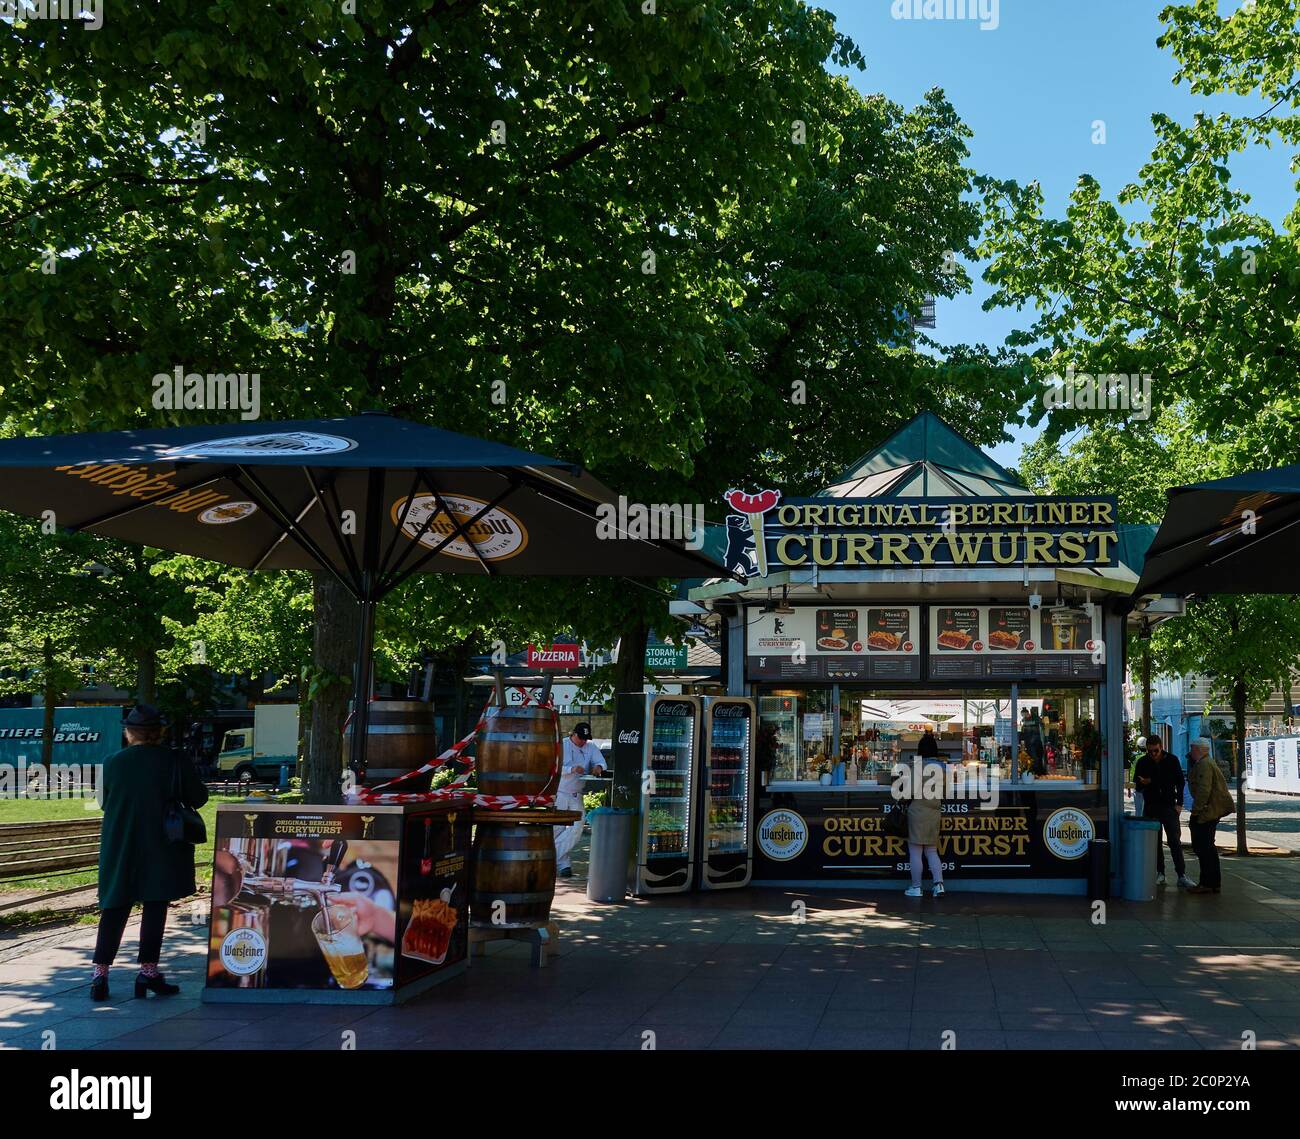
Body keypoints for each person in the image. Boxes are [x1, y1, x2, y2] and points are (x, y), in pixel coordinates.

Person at [92, 704, 208, 1002]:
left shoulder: (111, 762)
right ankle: (148, 971)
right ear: (159, 732)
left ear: (129, 733)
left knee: (115, 904)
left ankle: (100, 975)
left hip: (121, 841)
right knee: (156, 904)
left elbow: (105, 803)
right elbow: (199, 797)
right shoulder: (174, 760)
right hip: (161, 842)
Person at [1134, 734, 1191, 888]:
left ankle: (1181, 874)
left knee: (1174, 841)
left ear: (1161, 747)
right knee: (1155, 842)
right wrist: (1144, 784)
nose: (1153, 754)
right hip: (1151, 805)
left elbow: (1179, 782)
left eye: (1156, 751)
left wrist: (1179, 803)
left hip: (1168, 805)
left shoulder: (1171, 760)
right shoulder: (1143, 762)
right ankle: (1161, 872)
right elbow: (1138, 786)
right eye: (1150, 751)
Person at [554, 721, 605, 878]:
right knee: (557, 828)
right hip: (560, 792)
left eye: (585, 738)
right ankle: (563, 864)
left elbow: (601, 761)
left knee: (577, 828)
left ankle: (549, 855)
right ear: (573, 734)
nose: (583, 741)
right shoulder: (562, 745)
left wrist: (599, 768)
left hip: (577, 792)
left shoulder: (590, 746)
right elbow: (553, 767)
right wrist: (571, 769)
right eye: (580, 738)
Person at [1186, 737, 1234, 895]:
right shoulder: (1206, 762)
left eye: (1192, 748)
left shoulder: (1204, 765)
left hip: (1207, 812)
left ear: (1200, 750)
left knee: (1203, 847)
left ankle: (1208, 882)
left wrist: (1197, 810)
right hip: (1210, 810)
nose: (1190, 752)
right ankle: (1212, 882)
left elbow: (1204, 790)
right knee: (1207, 847)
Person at [904, 751, 945, 898]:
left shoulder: (918, 767)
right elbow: (946, 791)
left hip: (917, 813)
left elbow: (909, 791)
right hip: (934, 814)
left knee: (915, 852)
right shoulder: (941, 768)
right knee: (932, 851)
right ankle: (939, 885)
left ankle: (916, 887)